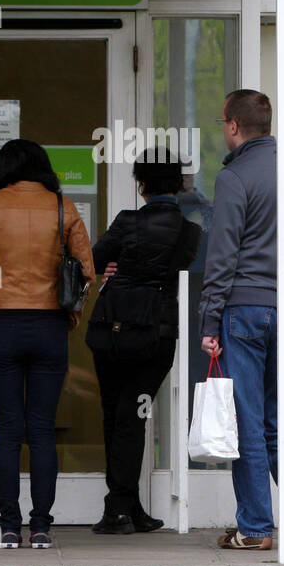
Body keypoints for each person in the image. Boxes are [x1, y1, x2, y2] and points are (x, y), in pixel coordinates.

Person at [197, 89, 284, 551]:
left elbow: (222, 256)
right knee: (278, 419)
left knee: (247, 421)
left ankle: (254, 528)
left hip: (241, 313)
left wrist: (209, 322)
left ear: (233, 126)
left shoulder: (234, 178)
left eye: (222, 124)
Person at [0, 139, 94, 550]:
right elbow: (85, 270)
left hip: (2, 321)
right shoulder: (62, 206)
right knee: (41, 429)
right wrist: (70, 313)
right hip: (48, 324)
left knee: (6, 429)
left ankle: (9, 525)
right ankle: (41, 526)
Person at [88, 147, 201, 534]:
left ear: (141, 185)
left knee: (116, 416)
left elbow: (93, 261)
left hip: (112, 333)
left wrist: (116, 266)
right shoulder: (190, 232)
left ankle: (120, 506)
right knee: (133, 416)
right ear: (178, 185)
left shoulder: (126, 222)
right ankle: (128, 505)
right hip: (155, 337)